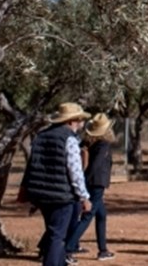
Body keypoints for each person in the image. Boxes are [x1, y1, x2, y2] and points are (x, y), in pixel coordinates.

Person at [22, 102, 92, 266]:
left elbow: (33, 164)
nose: (81, 123)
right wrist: (84, 197)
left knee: (54, 231)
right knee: (58, 237)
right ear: (70, 121)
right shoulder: (69, 139)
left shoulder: (41, 135)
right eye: (79, 119)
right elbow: (75, 171)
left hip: (42, 194)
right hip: (61, 196)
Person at [66, 113, 116, 260]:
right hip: (96, 183)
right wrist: (87, 182)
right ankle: (68, 249)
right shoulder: (103, 144)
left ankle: (103, 250)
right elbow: (95, 165)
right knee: (87, 216)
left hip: (91, 182)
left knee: (101, 215)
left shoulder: (90, 142)